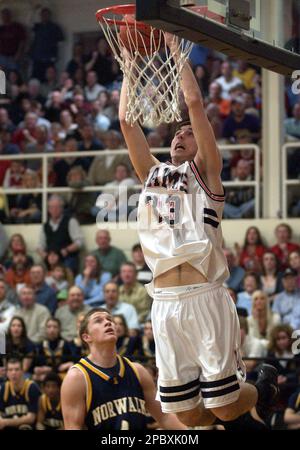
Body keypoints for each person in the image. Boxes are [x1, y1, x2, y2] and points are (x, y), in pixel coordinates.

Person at [119, 33, 278, 428]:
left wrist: (174, 50)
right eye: (177, 132)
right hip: (164, 303)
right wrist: (129, 65)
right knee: (189, 418)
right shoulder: (152, 174)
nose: (180, 133)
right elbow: (126, 120)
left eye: (188, 132)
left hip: (205, 297)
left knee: (222, 406)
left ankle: (264, 389)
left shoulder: (206, 174)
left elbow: (194, 103)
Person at [61, 308, 187, 430]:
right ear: (86, 337)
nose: (107, 322)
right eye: (98, 320)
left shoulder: (138, 371)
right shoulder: (77, 378)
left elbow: (164, 417)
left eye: (109, 319)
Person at [37, 194, 84, 274]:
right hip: (49, 257)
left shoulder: (71, 221)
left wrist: (66, 250)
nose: (54, 210)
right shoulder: (45, 225)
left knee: (66, 268)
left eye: (57, 207)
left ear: (62, 208)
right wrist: (46, 256)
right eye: (52, 207)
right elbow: (40, 246)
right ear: (48, 209)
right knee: (37, 269)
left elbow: (79, 242)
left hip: (66, 257)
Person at [0, 358, 41, 430]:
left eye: (16, 369)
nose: (13, 373)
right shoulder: (4, 388)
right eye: (10, 370)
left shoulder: (32, 387)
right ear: (7, 373)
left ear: (22, 371)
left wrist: (5, 422)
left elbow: (30, 418)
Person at [33, 318, 72, 382]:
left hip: (61, 376)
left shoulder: (65, 345)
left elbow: (67, 365)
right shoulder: (41, 345)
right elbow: (37, 366)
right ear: (45, 329)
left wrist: (51, 369)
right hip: (45, 375)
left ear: (59, 329)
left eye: (55, 327)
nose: (52, 330)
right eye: (49, 327)